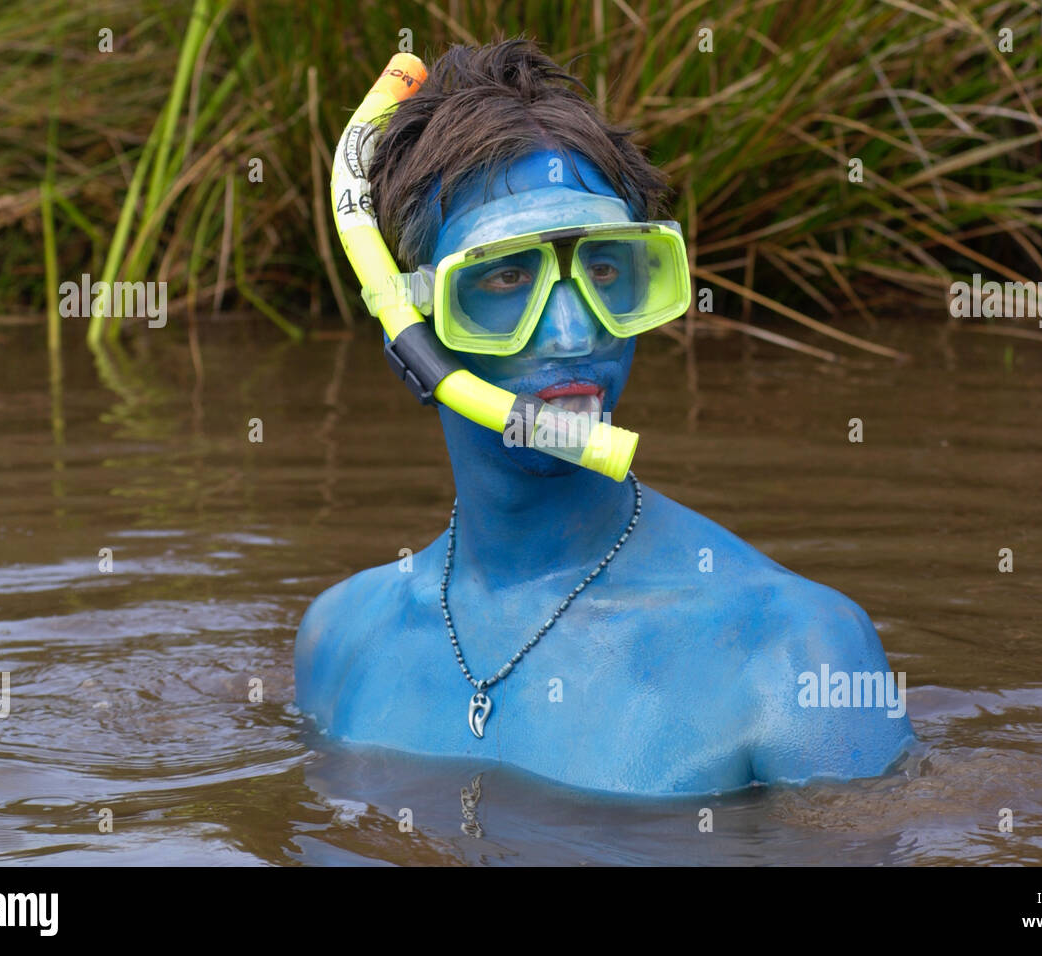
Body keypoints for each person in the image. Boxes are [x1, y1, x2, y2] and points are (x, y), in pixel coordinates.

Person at [295, 39, 915, 795]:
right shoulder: (339, 639)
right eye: (508, 277)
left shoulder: (797, 653)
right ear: (412, 329)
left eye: (607, 272)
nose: (570, 334)